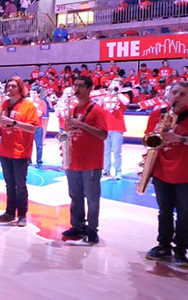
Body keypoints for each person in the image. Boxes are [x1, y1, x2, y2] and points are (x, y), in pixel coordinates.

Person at [144, 82, 188, 268]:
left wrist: (181, 138)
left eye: (182, 94)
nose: (177, 96)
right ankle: (163, 246)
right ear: (168, 94)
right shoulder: (156, 115)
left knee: (184, 214)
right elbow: (148, 141)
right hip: (161, 170)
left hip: (185, 173)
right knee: (164, 212)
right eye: (174, 92)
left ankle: (181, 251)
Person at [59, 77, 109, 244]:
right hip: (74, 159)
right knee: (75, 195)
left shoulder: (97, 110)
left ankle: (92, 229)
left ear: (89, 89)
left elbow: (103, 135)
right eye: (75, 85)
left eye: (80, 86)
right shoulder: (73, 109)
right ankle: (78, 226)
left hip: (91, 162)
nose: (76, 88)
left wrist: (81, 125)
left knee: (92, 198)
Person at [0, 77, 40, 226]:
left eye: (13, 86)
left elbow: (32, 128)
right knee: (9, 184)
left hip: (21, 151)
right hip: (5, 149)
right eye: (8, 86)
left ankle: (22, 215)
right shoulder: (4, 104)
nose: (10, 88)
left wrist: (13, 123)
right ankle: (9, 212)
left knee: (20, 184)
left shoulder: (28, 106)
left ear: (20, 88)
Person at [100, 79, 129, 180]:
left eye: (116, 85)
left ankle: (118, 171)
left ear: (120, 87)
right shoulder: (105, 96)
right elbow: (98, 107)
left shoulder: (123, 96)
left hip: (117, 127)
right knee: (105, 151)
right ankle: (106, 170)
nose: (113, 86)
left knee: (117, 151)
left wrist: (118, 92)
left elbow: (126, 102)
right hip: (105, 127)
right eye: (112, 84)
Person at [31, 90, 49, 167]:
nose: (32, 94)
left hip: (38, 126)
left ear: (38, 94)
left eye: (34, 93)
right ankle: (28, 160)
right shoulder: (28, 102)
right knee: (28, 144)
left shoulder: (42, 103)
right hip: (28, 126)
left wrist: (33, 106)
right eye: (31, 93)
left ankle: (39, 161)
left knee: (39, 145)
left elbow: (40, 113)